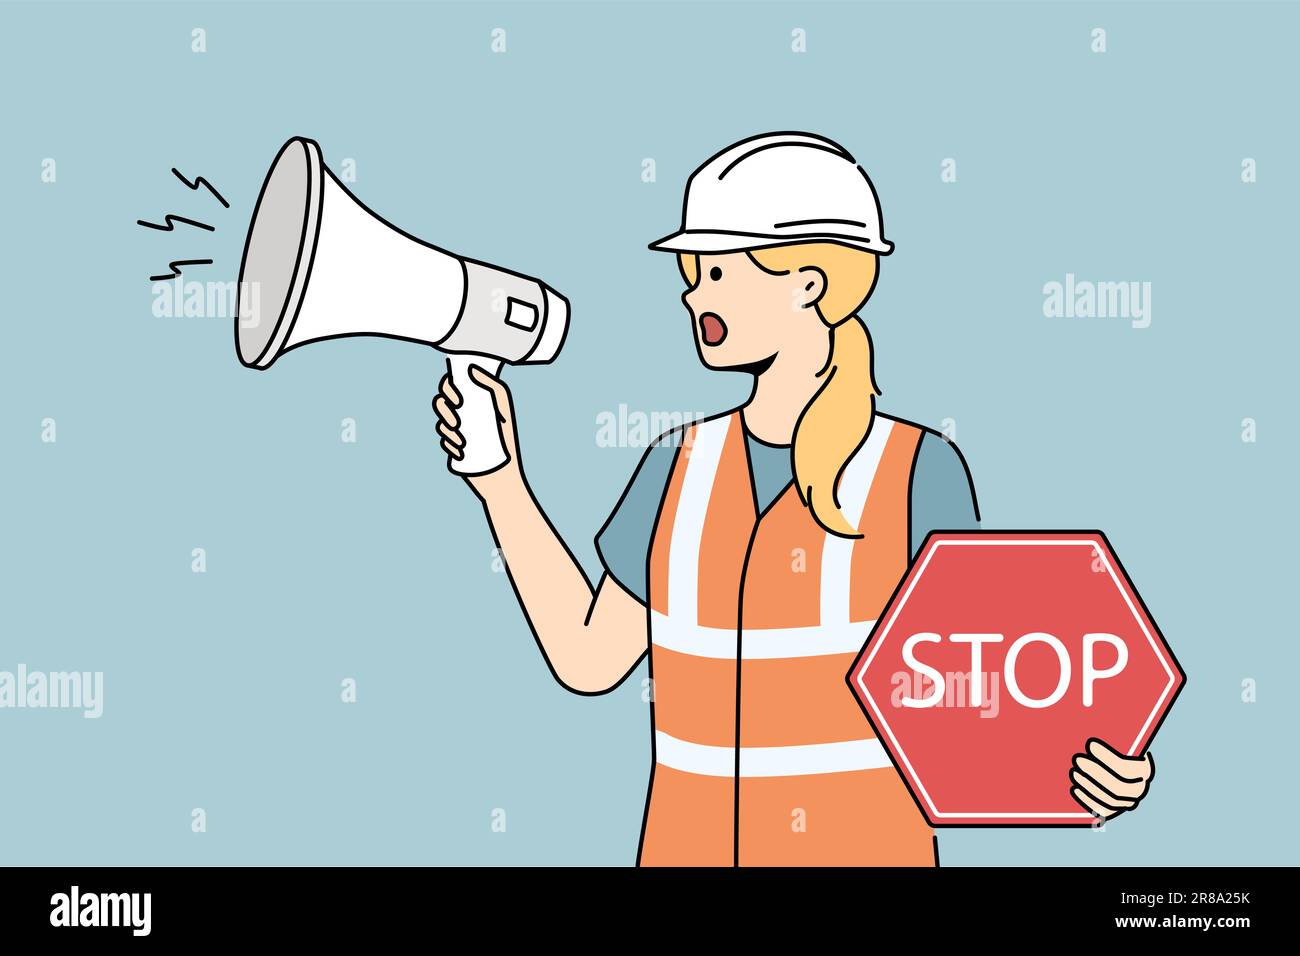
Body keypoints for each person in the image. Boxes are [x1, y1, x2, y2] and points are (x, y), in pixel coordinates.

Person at [434, 132, 1156, 866]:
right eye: (691, 273)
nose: (693, 294)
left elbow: (998, 700)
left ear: (807, 281)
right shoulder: (672, 466)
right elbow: (588, 660)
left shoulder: (916, 473)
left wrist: (1097, 772)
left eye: (716, 272)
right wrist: (498, 477)